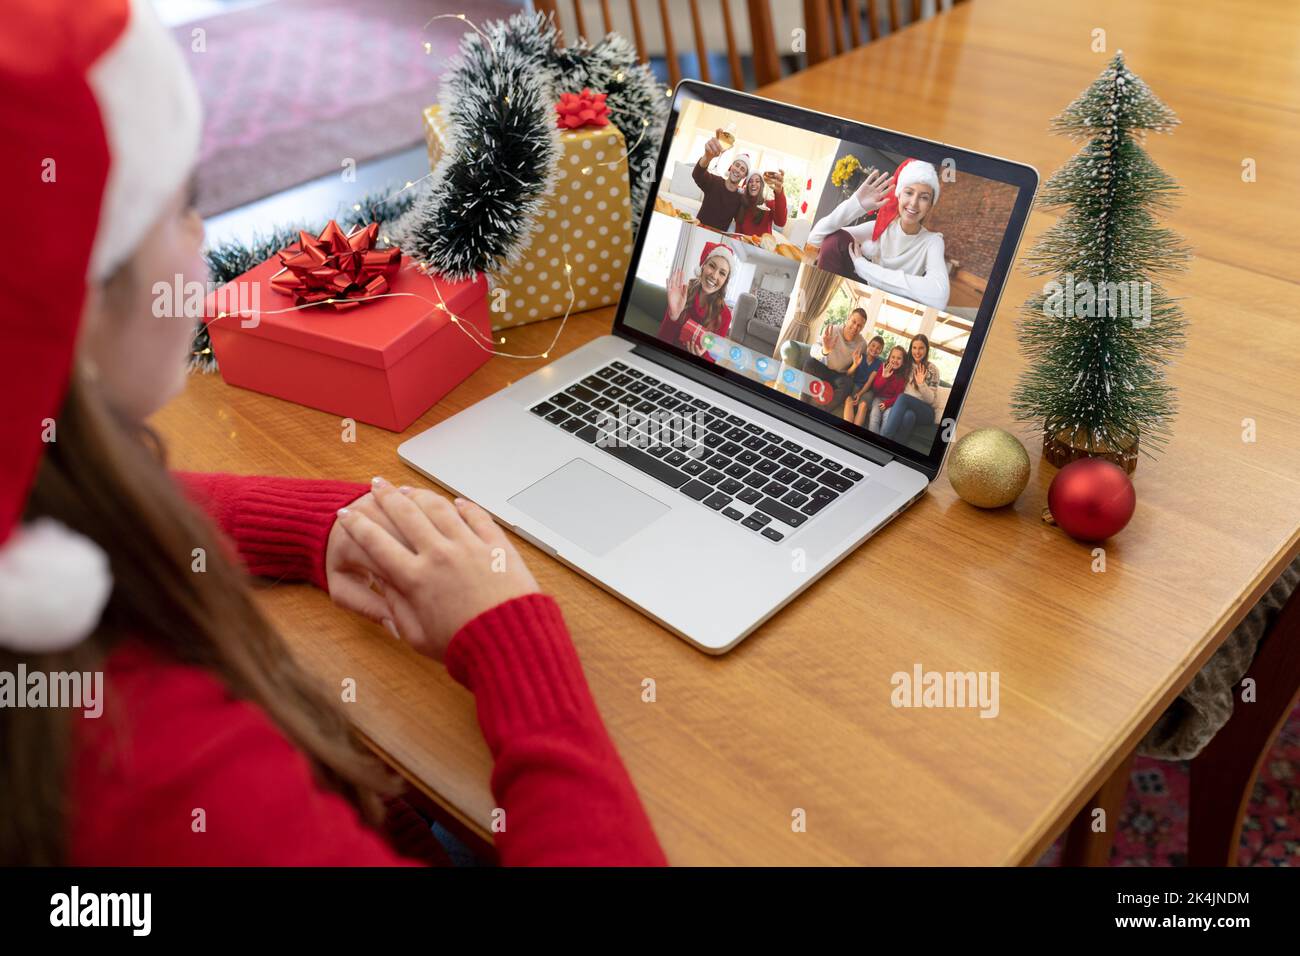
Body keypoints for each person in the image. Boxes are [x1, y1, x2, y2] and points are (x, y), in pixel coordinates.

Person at [0, 0, 666, 867]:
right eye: (182, 206)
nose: (200, 235)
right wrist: (510, 637)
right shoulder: (169, 782)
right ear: (72, 301)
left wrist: (319, 526)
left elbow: (86, 504)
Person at [808, 159, 950, 311]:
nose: (914, 203)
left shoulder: (932, 241)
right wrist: (856, 205)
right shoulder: (880, 228)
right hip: (867, 288)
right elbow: (815, 238)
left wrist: (864, 267)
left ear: (929, 206)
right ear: (899, 195)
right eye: (909, 193)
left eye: (924, 197)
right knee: (834, 240)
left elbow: (939, 296)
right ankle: (820, 301)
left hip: (893, 306)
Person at [659, 241, 736, 362]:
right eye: (712, 266)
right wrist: (673, 317)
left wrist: (701, 356)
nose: (714, 276)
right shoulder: (682, 294)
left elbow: (712, 359)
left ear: (726, 281)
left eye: (722, 273)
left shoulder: (725, 315)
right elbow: (662, 340)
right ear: (703, 266)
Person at [881, 333, 944, 445]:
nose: (917, 352)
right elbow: (893, 366)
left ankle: (883, 439)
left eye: (921, 348)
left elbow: (930, 400)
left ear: (926, 349)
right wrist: (884, 377)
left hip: (925, 411)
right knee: (908, 416)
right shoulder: (907, 364)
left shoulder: (932, 369)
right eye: (914, 348)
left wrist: (921, 384)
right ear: (911, 349)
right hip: (907, 407)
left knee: (903, 398)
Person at [802, 308, 869, 405]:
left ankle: (820, 410)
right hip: (823, 368)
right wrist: (824, 351)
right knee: (810, 363)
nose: (855, 327)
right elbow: (813, 350)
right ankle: (802, 402)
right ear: (848, 319)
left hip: (838, 376)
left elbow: (851, 374)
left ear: (862, 328)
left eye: (859, 326)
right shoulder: (832, 330)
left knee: (848, 384)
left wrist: (855, 365)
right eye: (853, 322)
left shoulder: (862, 345)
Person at [691, 132, 749, 232]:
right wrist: (707, 157)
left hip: (718, 237)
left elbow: (744, 218)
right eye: (737, 165)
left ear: (744, 176)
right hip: (698, 229)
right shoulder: (715, 182)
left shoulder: (740, 198)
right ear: (731, 167)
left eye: (742, 169)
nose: (738, 170)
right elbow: (697, 175)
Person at [842, 334, 885, 425]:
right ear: (868, 345)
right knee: (848, 400)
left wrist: (860, 394)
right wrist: (855, 364)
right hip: (855, 386)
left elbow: (869, 382)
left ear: (881, 351)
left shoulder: (879, 364)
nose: (874, 349)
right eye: (873, 345)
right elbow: (848, 374)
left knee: (863, 405)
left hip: (868, 390)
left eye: (878, 348)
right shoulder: (860, 356)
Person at [865, 346, 909, 433]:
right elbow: (875, 389)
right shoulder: (883, 367)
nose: (895, 360)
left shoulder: (903, 376)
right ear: (889, 358)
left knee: (887, 418)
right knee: (874, 416)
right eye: (893, 357)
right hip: (879, 398)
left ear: (903, 361)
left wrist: (887, 403)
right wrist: (884, 377)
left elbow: (898, 396)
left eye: (899, 358)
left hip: (892, 402)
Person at [732, 170, 787, 238]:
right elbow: (737, 232)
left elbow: (780, 223)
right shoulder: (742, 204)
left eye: (757, 181)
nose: (753, 184)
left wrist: (779, 192)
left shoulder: (768, 204)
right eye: (750, 181)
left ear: (762, 185)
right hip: (742, 243)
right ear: (746, 185)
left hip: (762, 244)